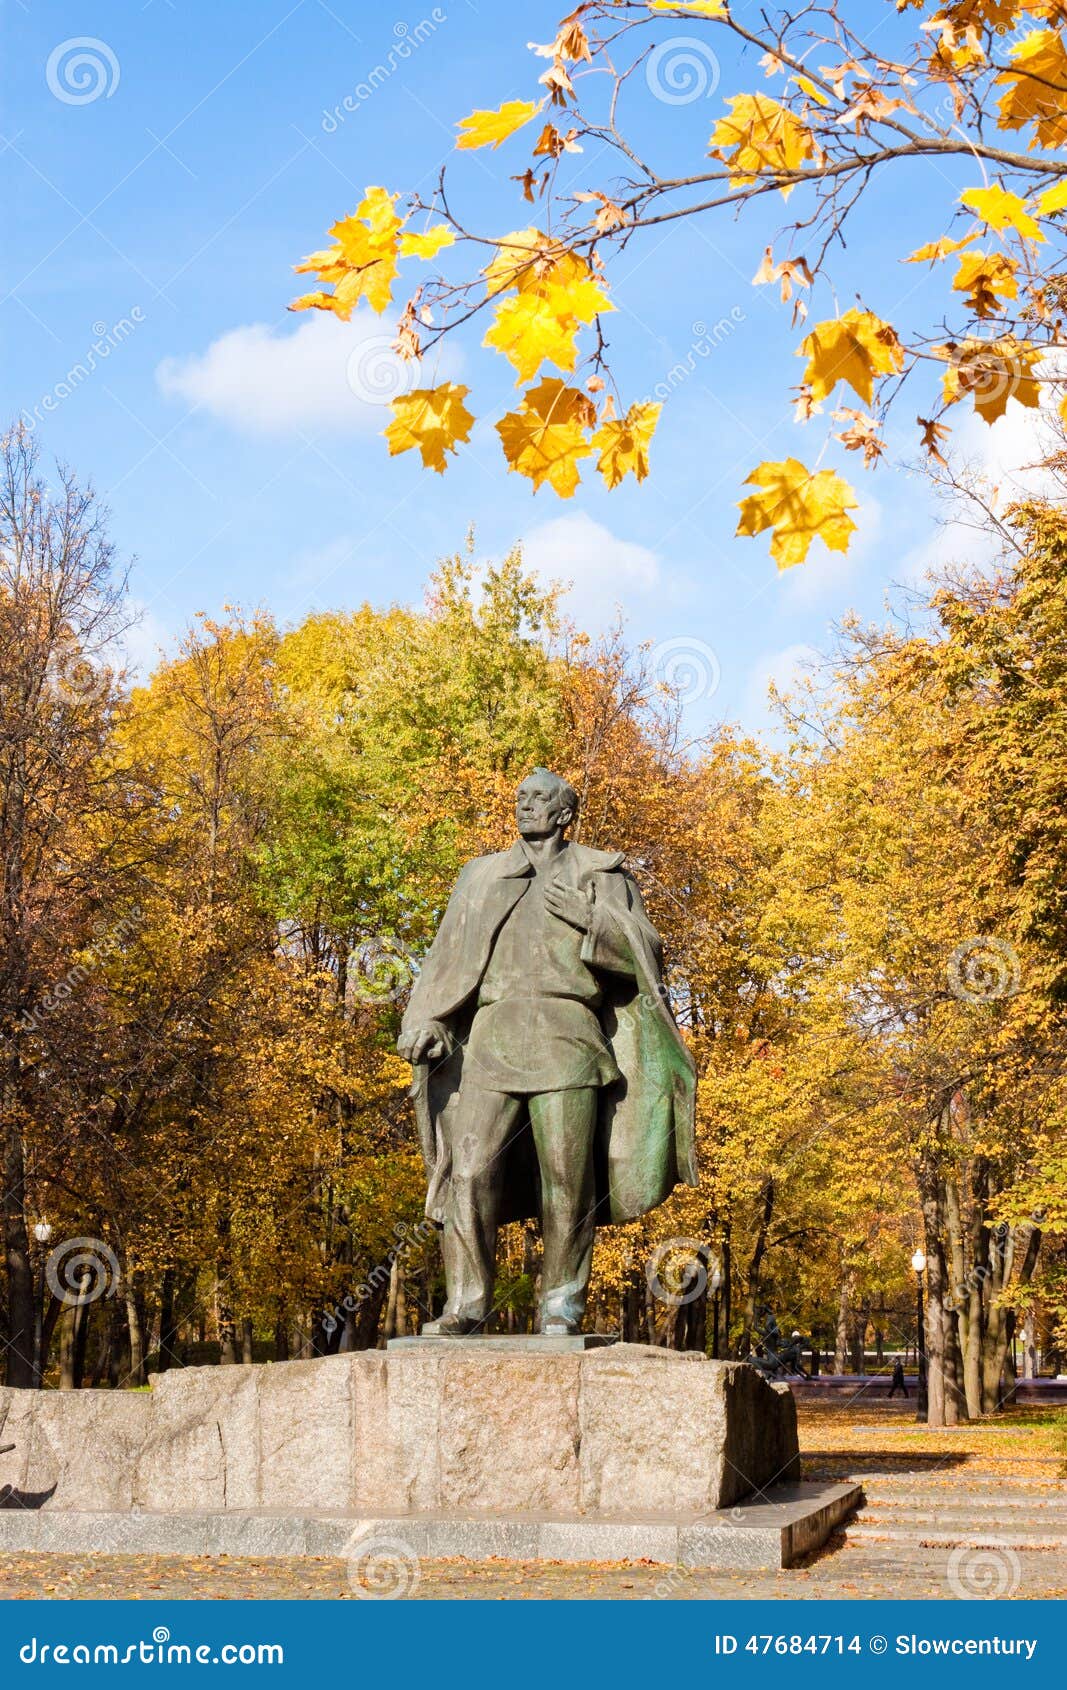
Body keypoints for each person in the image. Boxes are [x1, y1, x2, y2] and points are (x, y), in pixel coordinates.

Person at [398, 768, 697, 1336]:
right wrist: (427, 1020)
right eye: (521, 798)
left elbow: (647, 953)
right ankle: (467, 1303)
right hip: (490, 1035)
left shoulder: (600, 873)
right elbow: (442, 959)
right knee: (469, 1169)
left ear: (565, 814)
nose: (525, 805)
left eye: (540, 799)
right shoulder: (481, 876)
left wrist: (591, 920)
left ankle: (562, 1303)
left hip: (568, 1034)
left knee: (568, 1178)